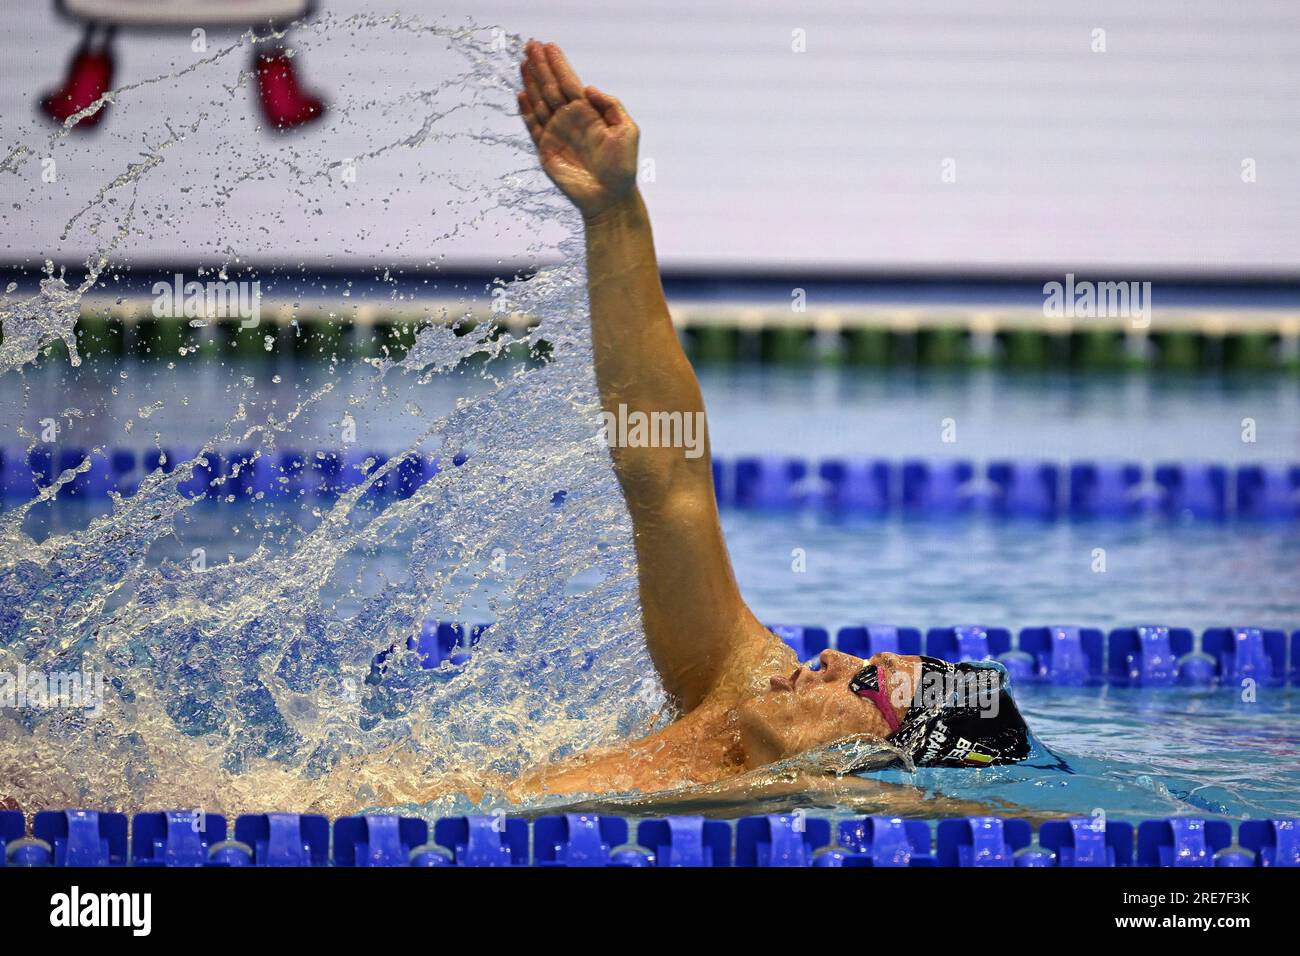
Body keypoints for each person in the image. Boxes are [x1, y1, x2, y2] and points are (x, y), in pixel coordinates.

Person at [508, 41, 1035, 807]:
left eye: (867, 682)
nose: (827, 654)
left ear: (887, 754)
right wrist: (613, 209)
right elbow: (667, 475)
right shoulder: (740, 684)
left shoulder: (844, 798)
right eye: (864, 656)